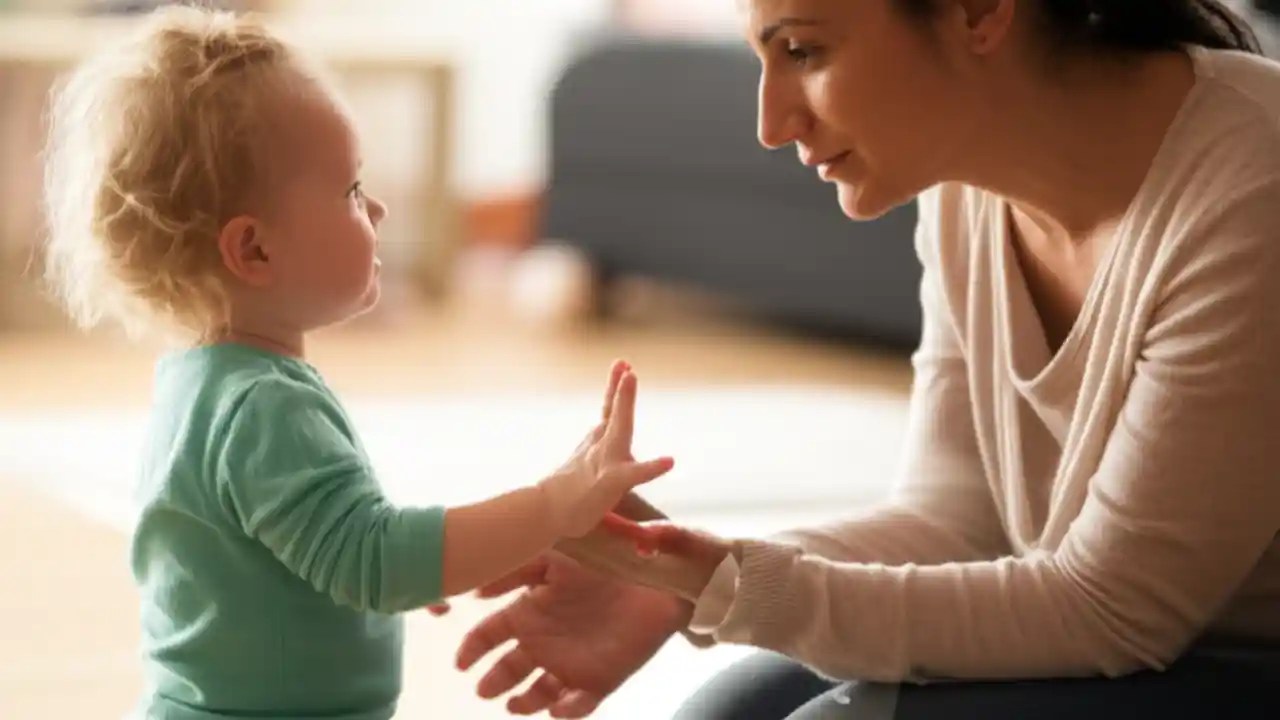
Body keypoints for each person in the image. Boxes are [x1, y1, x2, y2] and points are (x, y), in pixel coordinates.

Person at [456, 1, 1280, 718]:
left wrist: (723, 584)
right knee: (724, 711)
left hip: (1242, 668)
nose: (771, 123)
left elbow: (1113, 609)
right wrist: (674, 576)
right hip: (1144, 656)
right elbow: (958, 524)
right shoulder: (966, 187)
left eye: (805, 52)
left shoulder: (1252, 185)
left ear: (977, 10)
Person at [39, 7, 674, 719]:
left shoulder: (204, 381)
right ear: (254, 250)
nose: (376, 209)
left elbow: (304, 548)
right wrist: (557, 505)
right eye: (349, 189)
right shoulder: (265, 407)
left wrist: (426, 559)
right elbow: (375, 562)